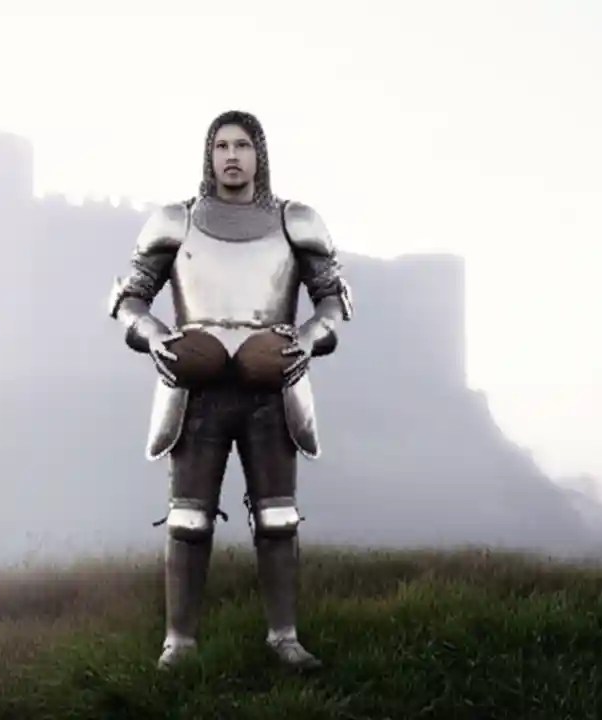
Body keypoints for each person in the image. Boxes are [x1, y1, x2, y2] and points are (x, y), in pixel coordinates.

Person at [106, 110, 353, 671]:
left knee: (278, 518)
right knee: (187, 520)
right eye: (222, 146)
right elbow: (130, 297)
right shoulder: (176, 222)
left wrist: (312, 336)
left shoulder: (296, 222)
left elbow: (333, 298)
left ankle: (284, 637)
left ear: (259, 154)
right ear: (209, 155)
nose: (233, 156)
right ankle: (179, 642)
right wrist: (153, 336)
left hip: (272, 386)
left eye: (243, 145)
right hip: (197, 389)